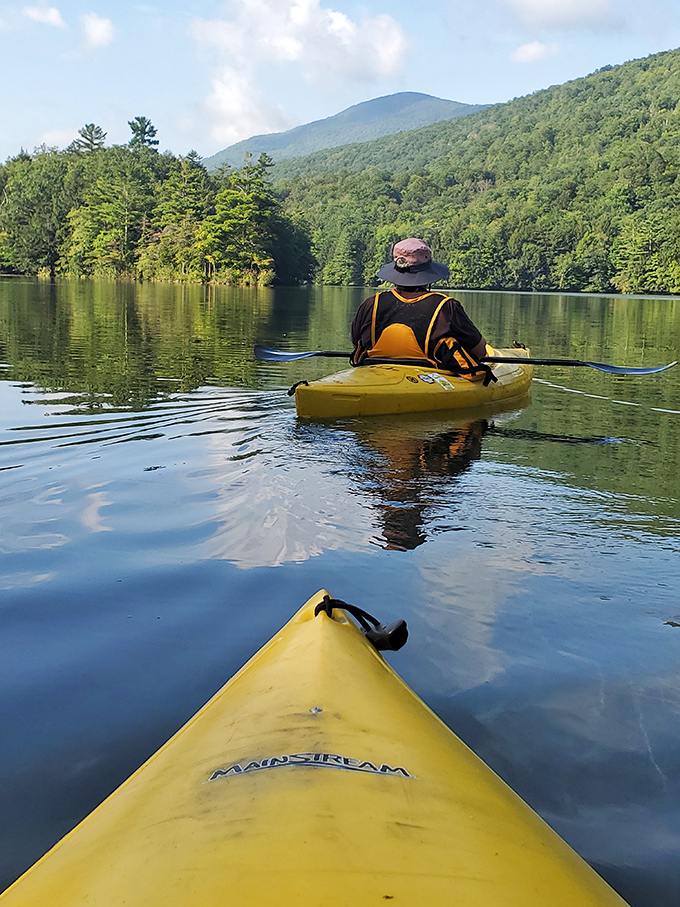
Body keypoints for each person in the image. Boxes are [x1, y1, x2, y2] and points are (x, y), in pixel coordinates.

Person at [351, 238, 493, 381]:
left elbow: (355, 340)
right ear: (428, 275)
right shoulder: (446, 307)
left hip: (375, 374)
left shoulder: (371, 303)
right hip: (427, 378)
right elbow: (480, 351)